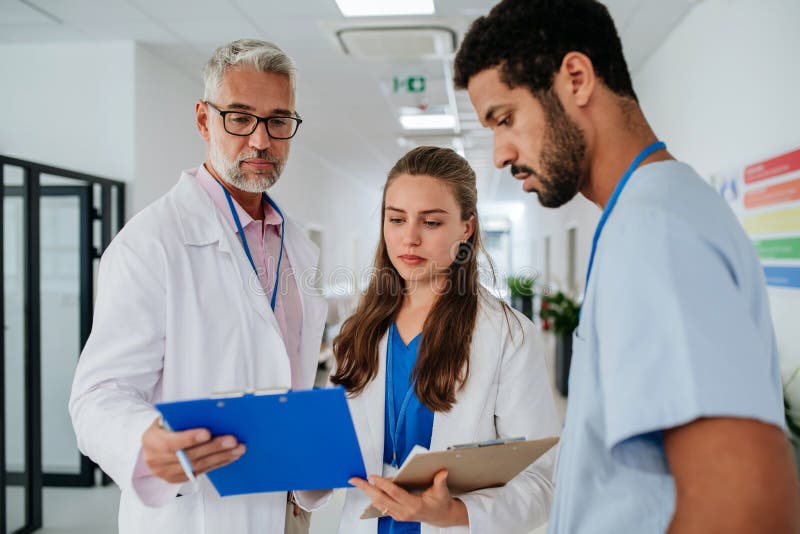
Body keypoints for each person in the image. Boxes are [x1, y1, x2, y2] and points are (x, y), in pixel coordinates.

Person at [454, 1, 800, 532]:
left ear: (576, 78)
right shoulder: (657, 210)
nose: (500, 154)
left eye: (505, 119)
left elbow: (743, 504)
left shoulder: (652, 230)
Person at [69, 39, 325, 534]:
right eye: (240, 118)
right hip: (199, 512)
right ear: (205, 120)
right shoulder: (150, 244)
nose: (260, 141)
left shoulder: (298, 247)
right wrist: (144, 440)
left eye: (278, 121)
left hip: (287, 506)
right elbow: (98, 394)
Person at [296, 146, 559, 534]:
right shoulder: (358, 327)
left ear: (466, 228)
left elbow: (541, 481)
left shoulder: (508, 335)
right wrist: (305, 469)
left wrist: (451, 512)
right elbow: (339, 455)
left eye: (431, 222)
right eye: (396, 219)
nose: (409, 238)